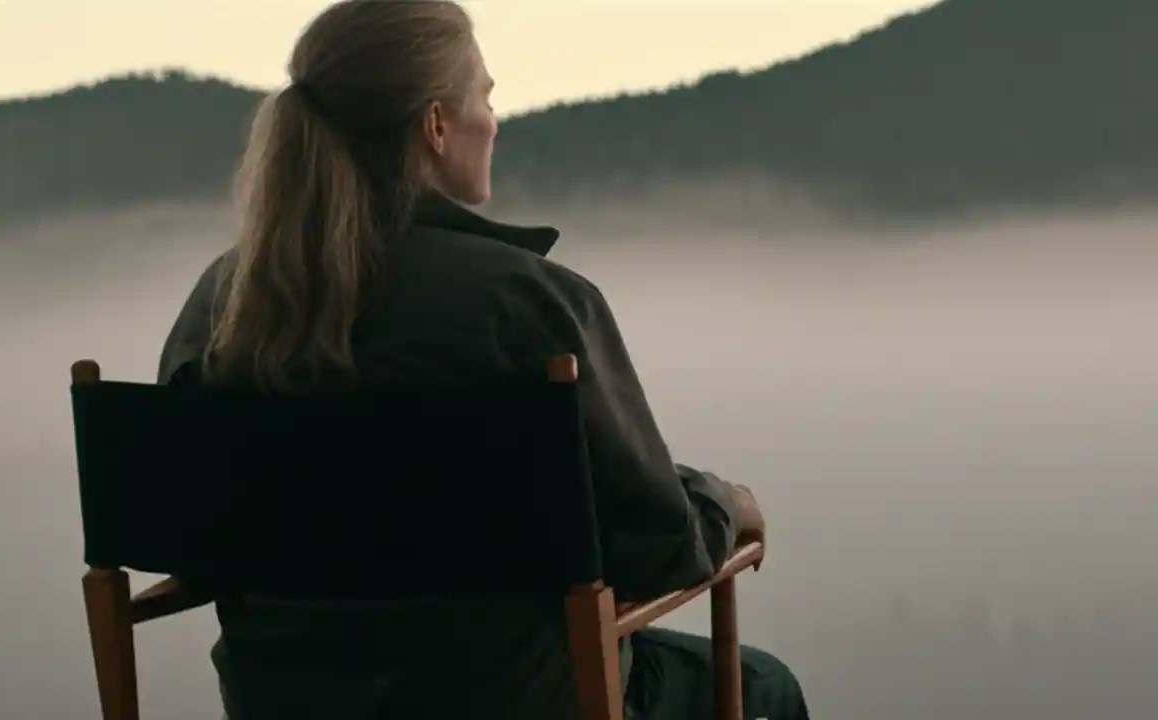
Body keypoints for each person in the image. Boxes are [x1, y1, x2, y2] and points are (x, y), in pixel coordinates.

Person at [157, 1, 809, 718]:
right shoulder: (529, 305)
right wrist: (723, 499)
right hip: (513, 700)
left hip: (282, 703)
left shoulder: (227, 305)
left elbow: (189, 541)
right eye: (487, 97)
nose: (494, 121)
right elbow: (658, 546)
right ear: (436, 125)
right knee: (762, 689)